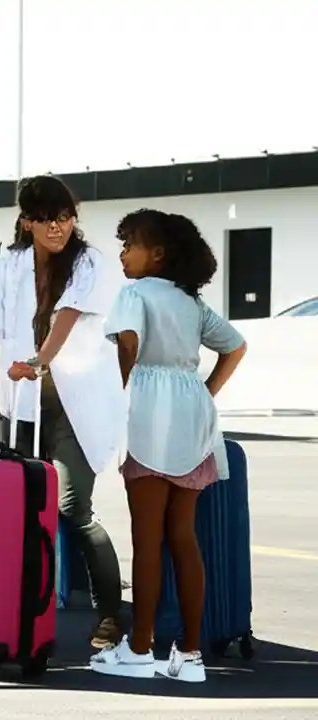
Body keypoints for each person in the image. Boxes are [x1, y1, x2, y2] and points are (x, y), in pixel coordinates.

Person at [0, 174, 127, 650]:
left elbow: (68, 316)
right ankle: (18, 613)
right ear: (27, 222)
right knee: (16, 510)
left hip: (76, 406)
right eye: (46, 219)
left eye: (65, 217)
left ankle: (112, 616)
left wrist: (39, 362)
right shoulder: (1, 267)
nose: (57, 227)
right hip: (20, 406)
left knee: (72, 508)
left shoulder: (90, 262)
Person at [89, 209, 247, 682]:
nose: (122, 252)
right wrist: (205, 391)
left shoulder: (134, 293)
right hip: (194, 416)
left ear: (157, 253)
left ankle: (139, 649)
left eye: (129, 243)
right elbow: (235, 345)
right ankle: (190, 655)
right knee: (184, 537)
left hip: (150, 416)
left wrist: (116, 396)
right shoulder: (190, 302)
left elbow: (129, 343)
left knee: (147, 537)